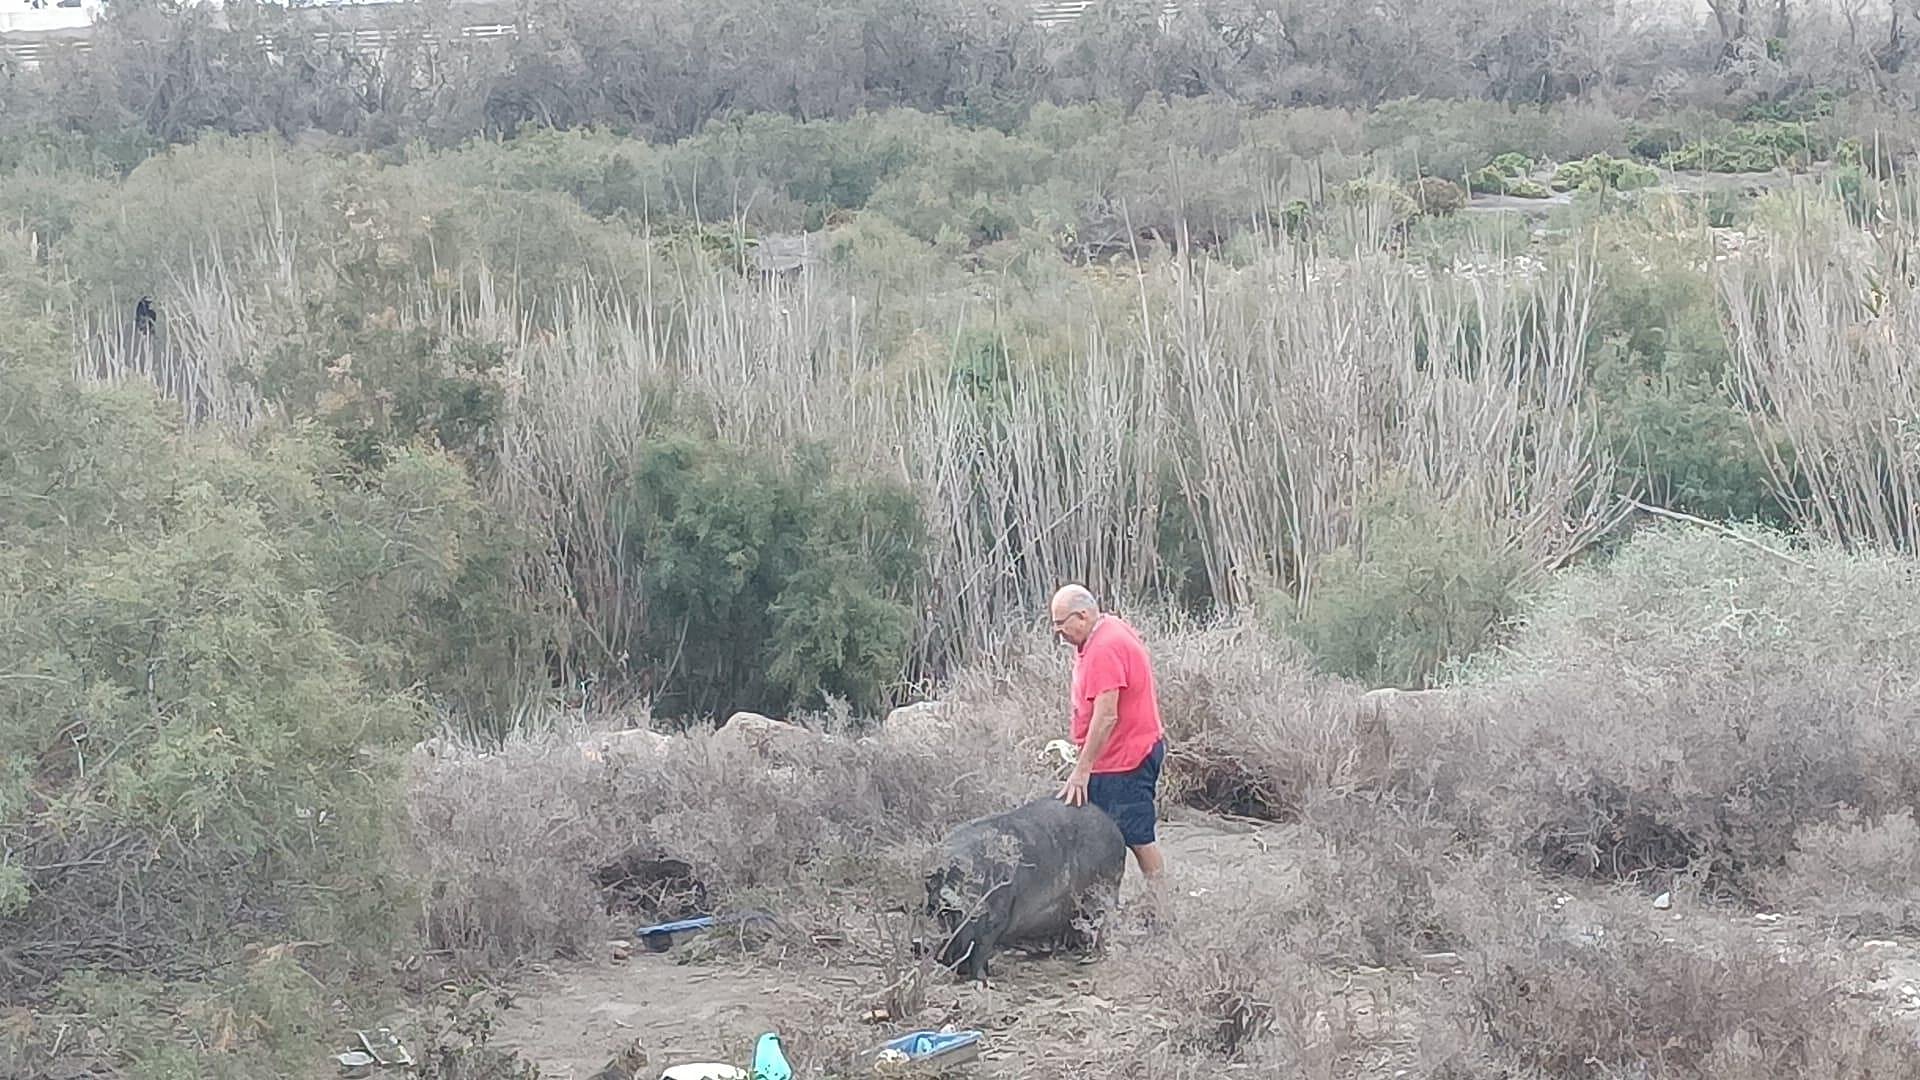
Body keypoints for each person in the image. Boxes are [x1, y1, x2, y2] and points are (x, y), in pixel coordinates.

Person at [1050, 583, 1167, 887]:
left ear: (1083, 616)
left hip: (1126, 760)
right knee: (1108, 832)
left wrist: (1082, 769)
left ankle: (1164, 911)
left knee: (1139, 838)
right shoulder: (1108, 627)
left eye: (1061, 623)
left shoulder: (1104, 647)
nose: (1057, 631)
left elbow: (1106, 717)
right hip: (1121, 753)